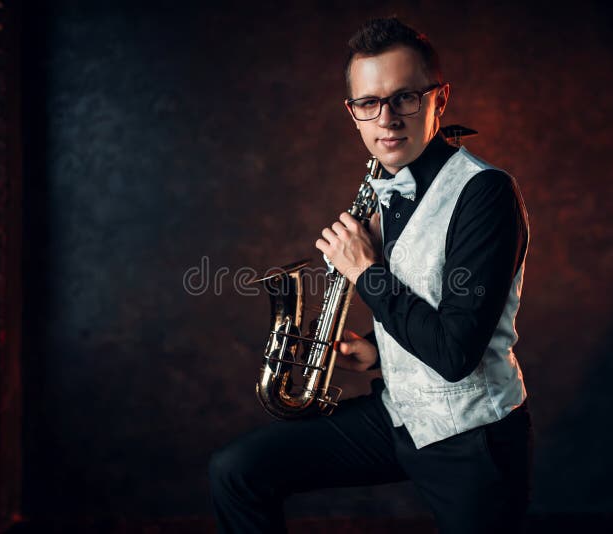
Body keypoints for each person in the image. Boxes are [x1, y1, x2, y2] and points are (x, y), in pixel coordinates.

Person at [209, 17, 532, 533]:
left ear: (439, 101)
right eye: (369, 103)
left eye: (405, 97)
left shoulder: (485, 195)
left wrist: (365, 269)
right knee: (237, 471)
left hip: (471, 439)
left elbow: (455, 355)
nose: (387, 120)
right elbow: (424, 311)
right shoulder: (388, 186)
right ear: (353, 112)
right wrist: (380, 356)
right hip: (398, 415)